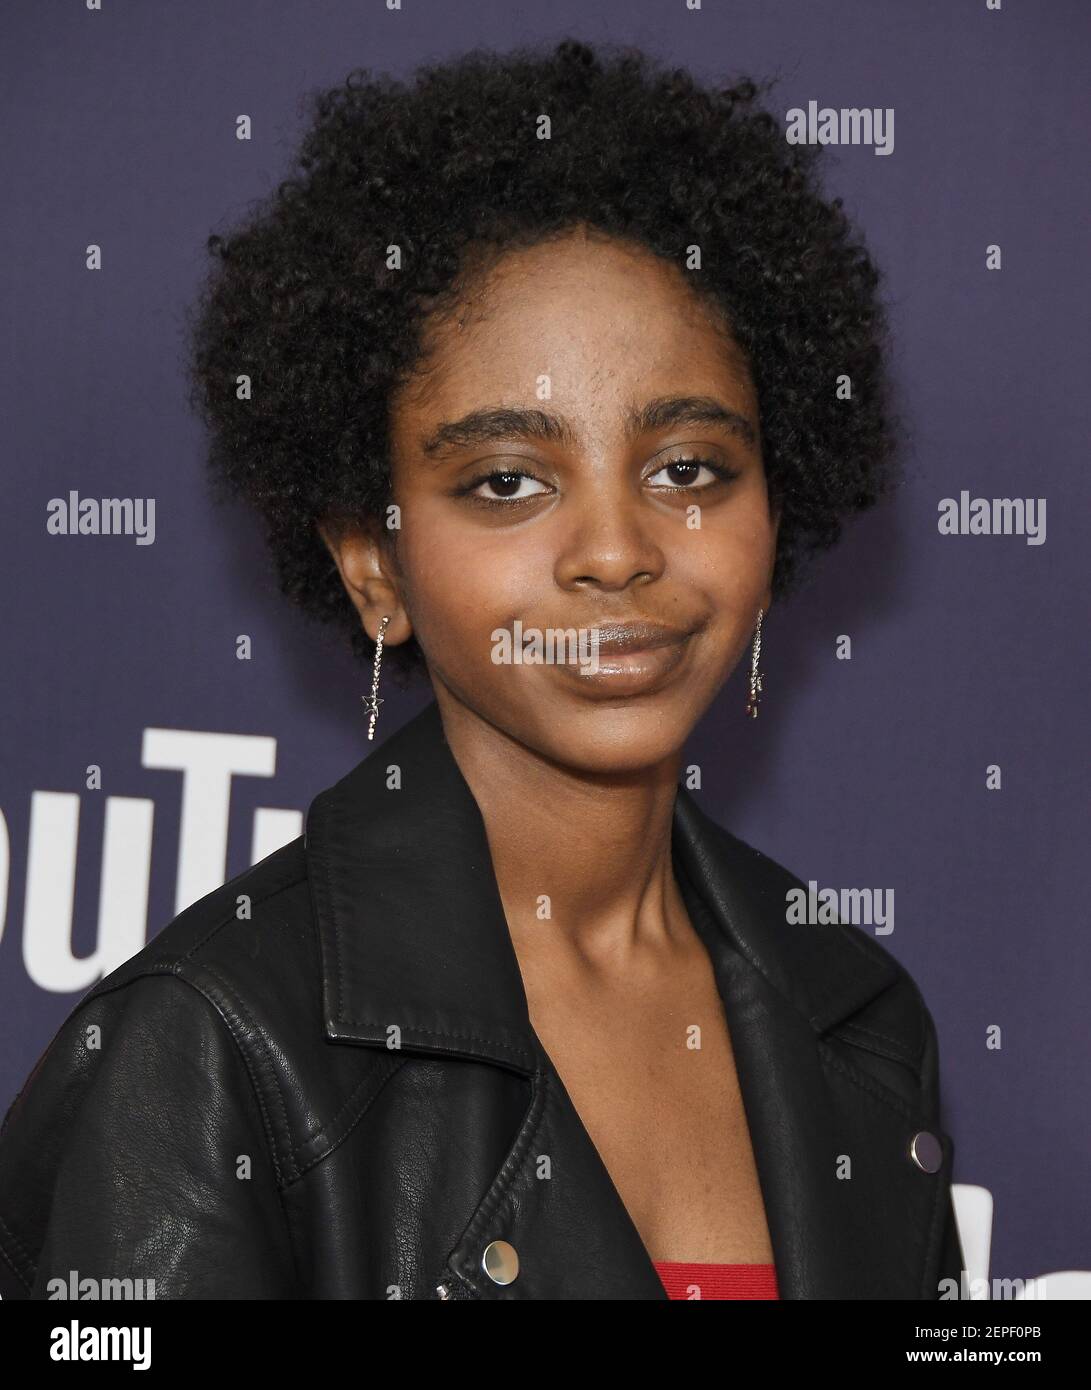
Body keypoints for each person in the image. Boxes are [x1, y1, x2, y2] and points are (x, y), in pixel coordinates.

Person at [0, 38, 964, 1301]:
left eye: (687, 467)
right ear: (371, 565)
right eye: (505, 481)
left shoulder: (855, 1011)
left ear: (776, 514)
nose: (617, 551)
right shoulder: (211, 1044)